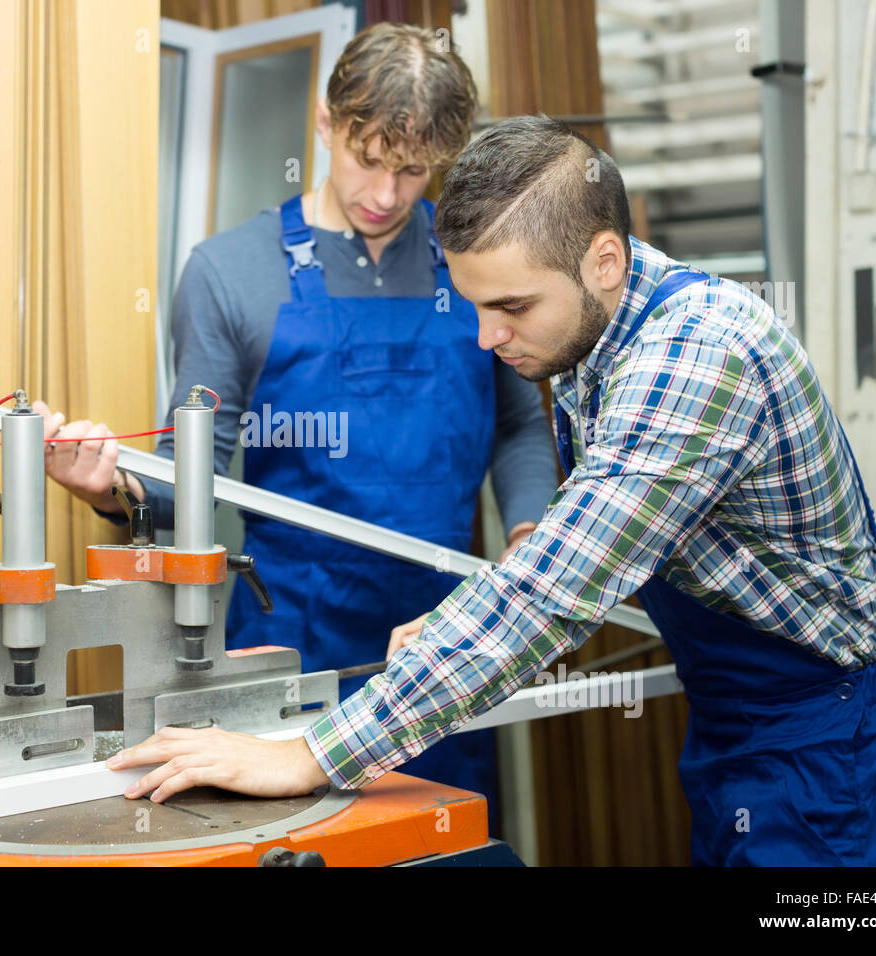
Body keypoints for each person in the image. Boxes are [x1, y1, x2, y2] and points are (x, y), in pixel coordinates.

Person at [106, 115, 876, 866]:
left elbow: (553, 596)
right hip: (741, 730)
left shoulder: (695, 355)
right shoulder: (597, 332)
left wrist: (309, 755)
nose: (485, 336)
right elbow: (581, 535)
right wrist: (453, 623)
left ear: (604, 259)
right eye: (474, 305)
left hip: (836, 747)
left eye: (509, 306)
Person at [33, 24, 559, 824]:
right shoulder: (229, 271)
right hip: (294, 654)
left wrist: (531, 541)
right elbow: (190, 486)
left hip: (443, 649)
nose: (385, 193)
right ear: (325, 123)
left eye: (412, 170)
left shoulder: (474, 259)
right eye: (366, 157)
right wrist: (111, 491)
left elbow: (520, 427)